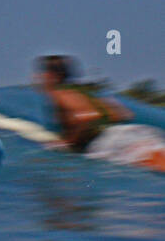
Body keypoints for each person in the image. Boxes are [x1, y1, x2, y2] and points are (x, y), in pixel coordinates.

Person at [34, 55, 165, 172]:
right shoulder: (89, 94)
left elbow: (88, 116)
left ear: (50, 75)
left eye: (40, 73)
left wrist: (69, 142)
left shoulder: (59, 94)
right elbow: (124, 114)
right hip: (133, 133)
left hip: (109, 141)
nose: (37, 77)